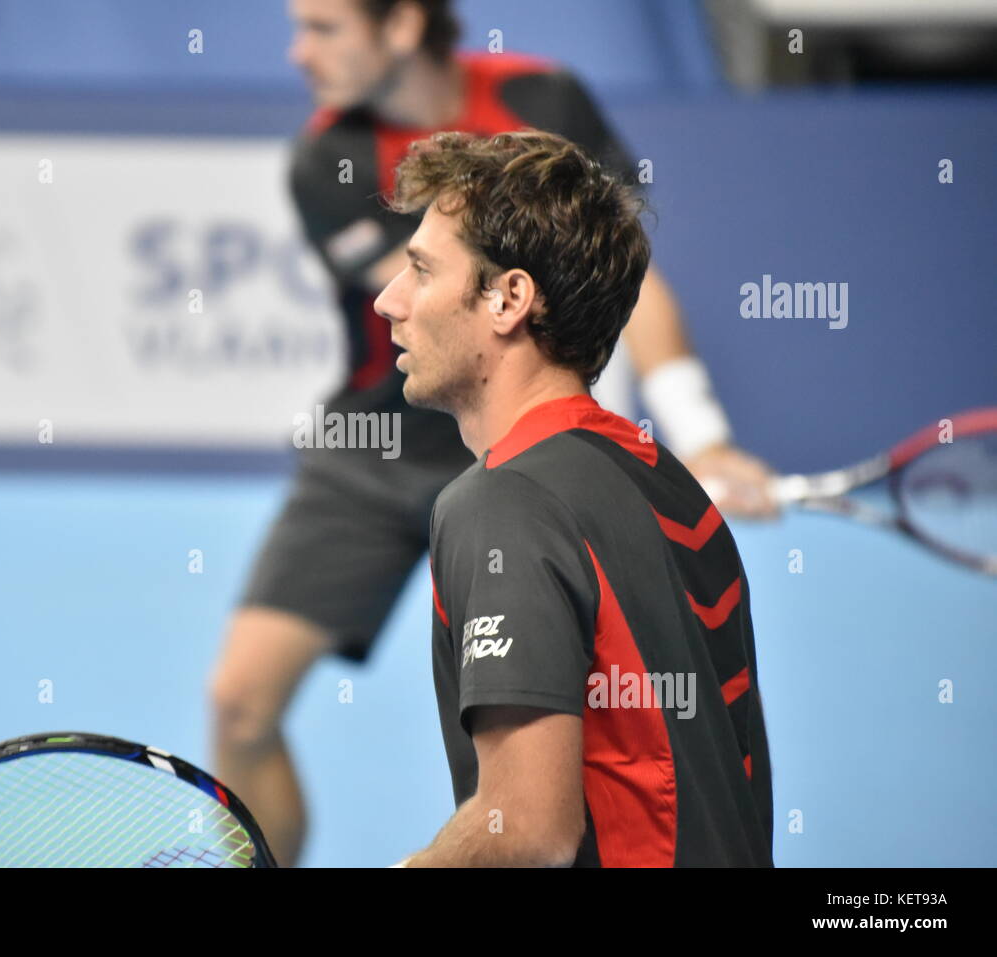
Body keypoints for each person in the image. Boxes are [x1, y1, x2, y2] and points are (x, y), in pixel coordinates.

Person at [209, 0, 774, 866]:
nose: (299, 53)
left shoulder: (543, 97)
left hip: (520, 443)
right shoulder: (325, 160)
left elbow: (618, 267)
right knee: (240, 703)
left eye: (323, 27)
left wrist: (703, 426)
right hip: (382, 444)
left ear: (401, 25)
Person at [376, 128, 772, 866]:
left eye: (422, 271)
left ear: (509, 299)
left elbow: (526, 827)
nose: (388, 300)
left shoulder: (501, 503)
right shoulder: (673, 486)